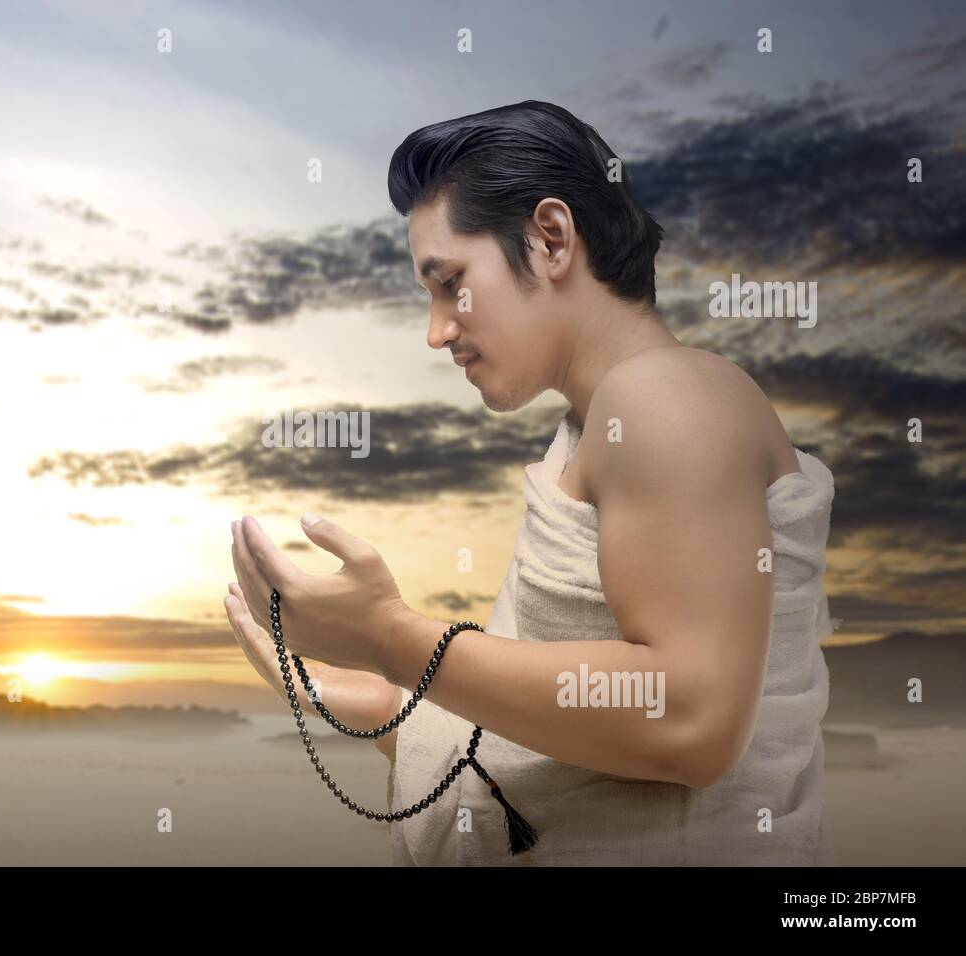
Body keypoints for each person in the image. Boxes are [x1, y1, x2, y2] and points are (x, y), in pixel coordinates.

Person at [224, 100, 835, 865]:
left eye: (450, 283)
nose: (436, 329)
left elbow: (691, 720)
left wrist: (390, 638)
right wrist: (375, 699)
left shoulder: (668, 396)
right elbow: (562, 739)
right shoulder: (595, 431)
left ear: (550, 238)